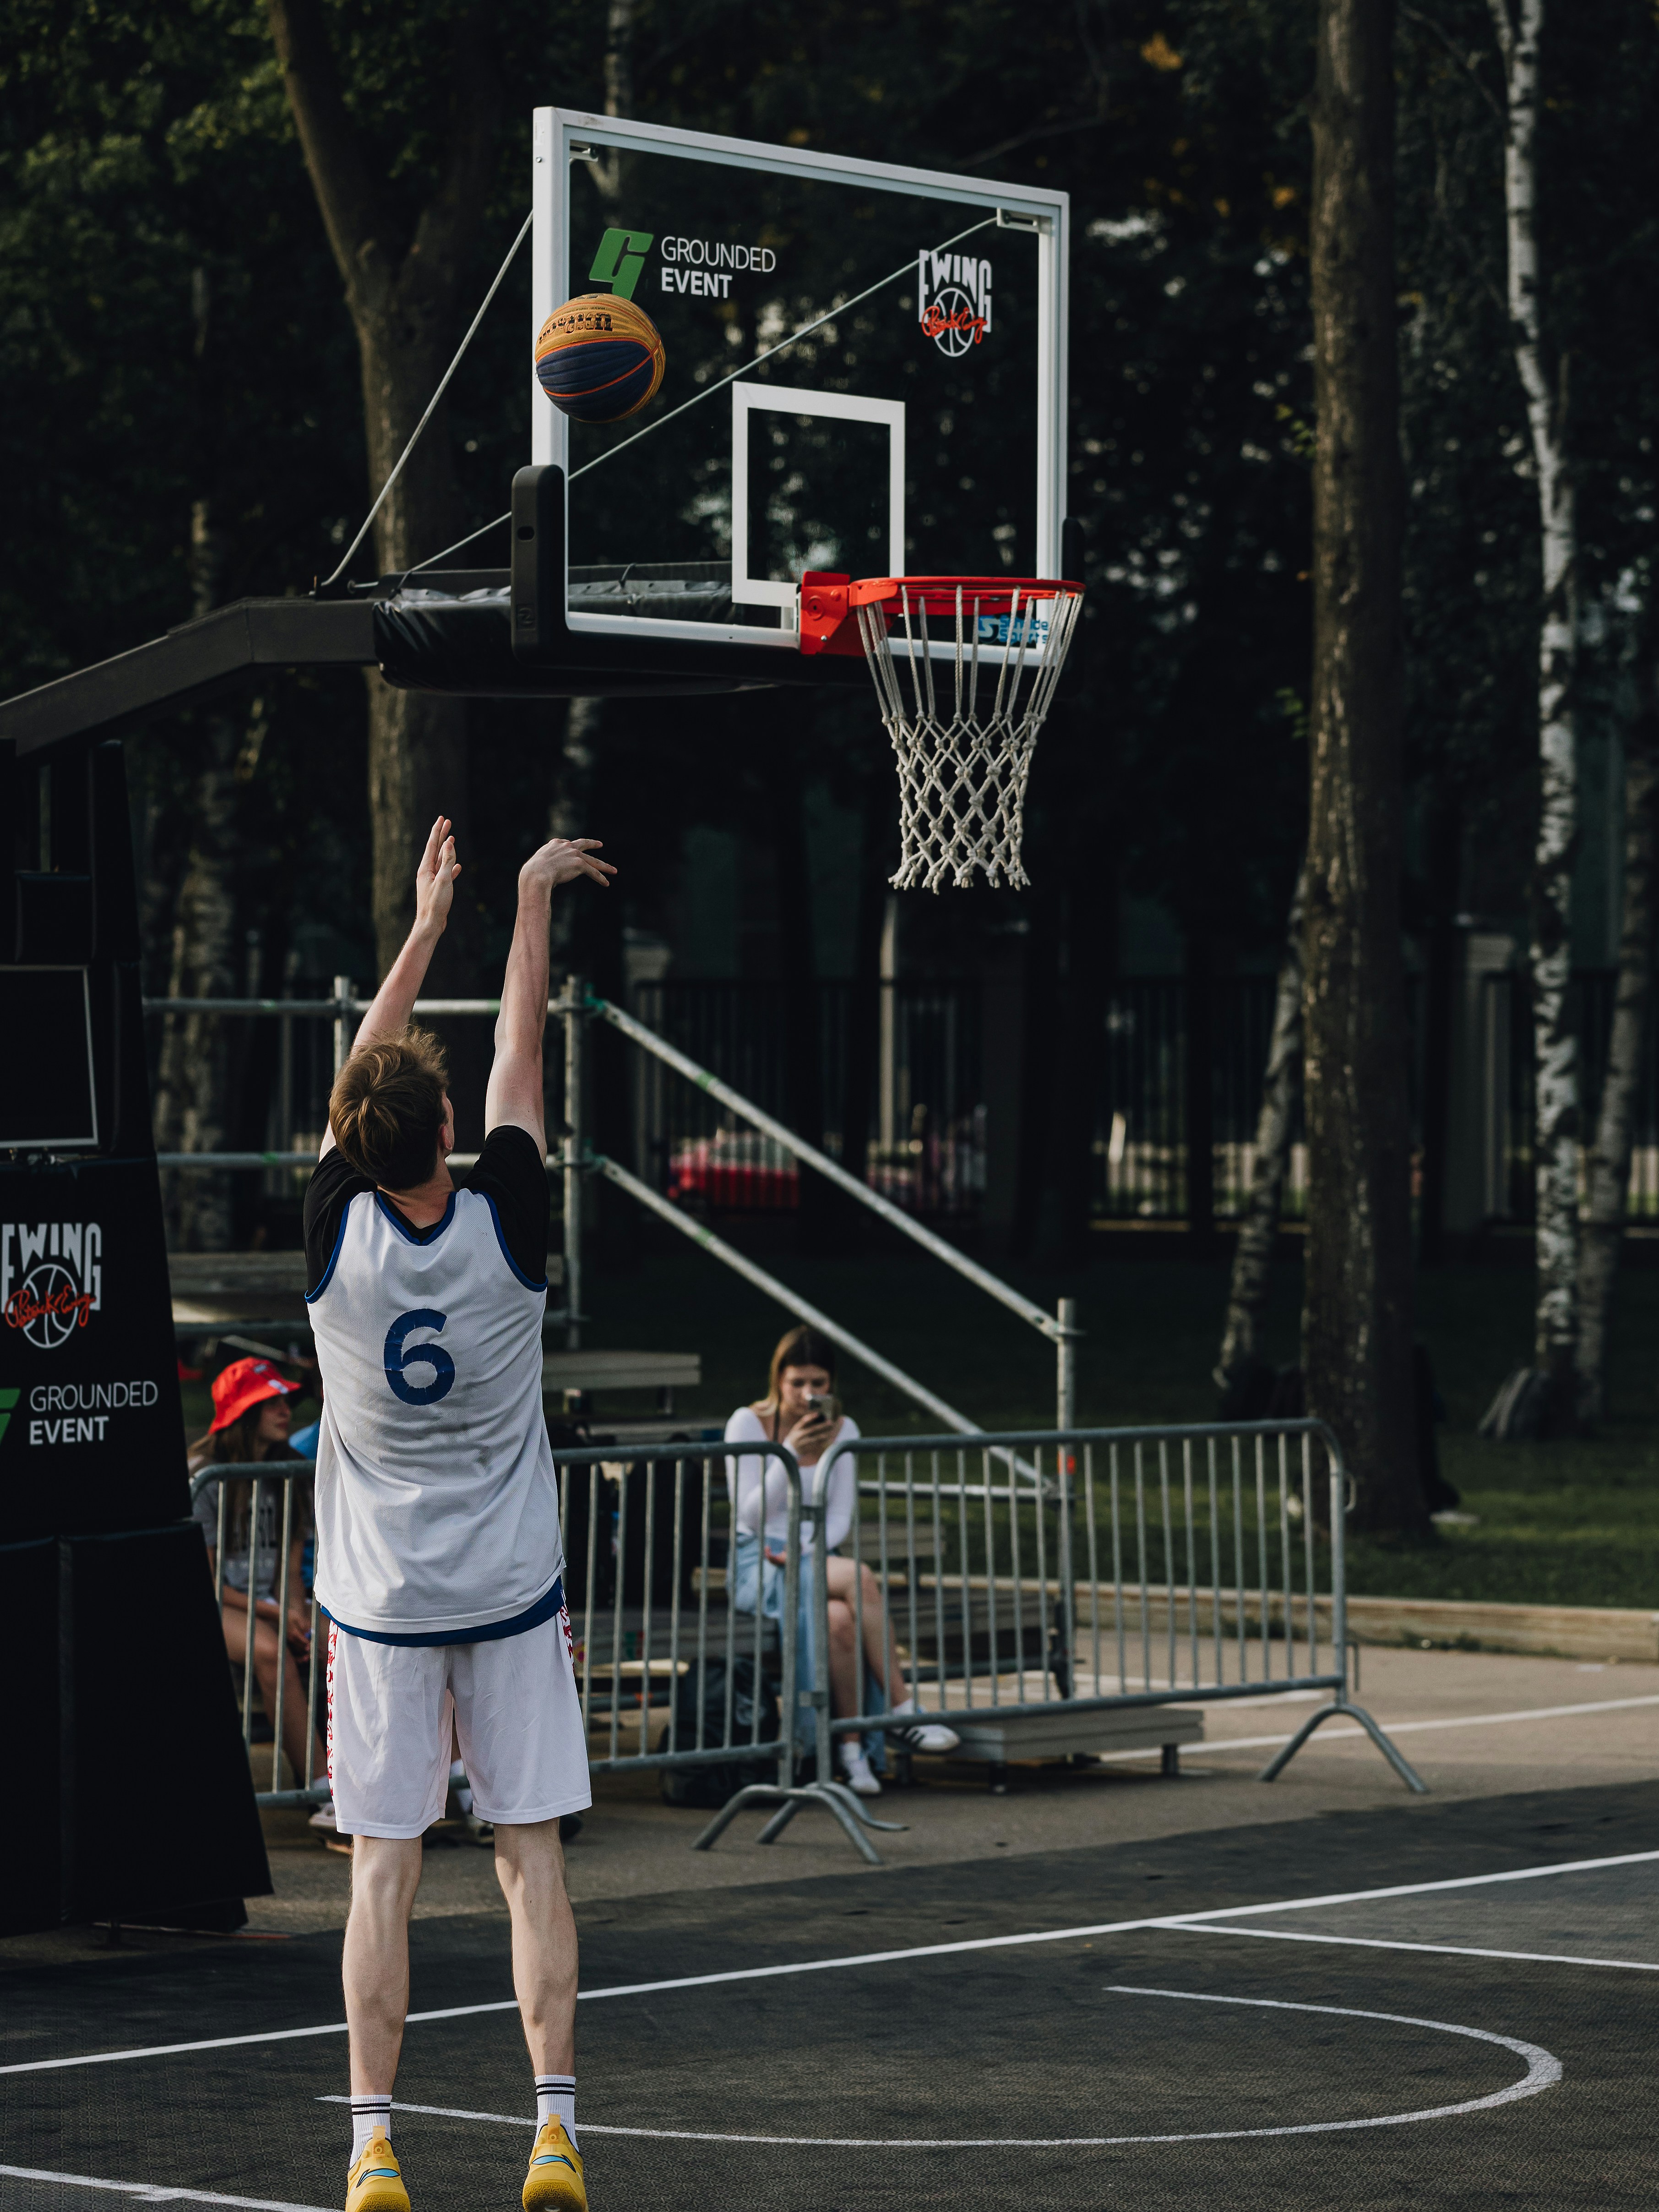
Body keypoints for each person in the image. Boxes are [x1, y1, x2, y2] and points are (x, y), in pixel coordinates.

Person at [304, 816, 612, 2212]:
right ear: (447, 1138)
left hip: (382, 1598)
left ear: (358, 1144)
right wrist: (524, 904)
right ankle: (550, 2127)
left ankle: (374, 2141)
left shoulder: (336, 1236)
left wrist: (420, 926)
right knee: (527, 1857)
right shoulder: (511, 1220)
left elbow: (358, 1086)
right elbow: (520, 1055)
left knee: (382, 1869)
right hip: (507, 1586)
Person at [724, 1325, 959, 1798]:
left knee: (837, 1621)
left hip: (813, 1554)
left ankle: (851, 1753)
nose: (808, 1395)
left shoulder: (844, 1428)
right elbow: (746, 1513)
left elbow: (839, 1518)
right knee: (861, 1576)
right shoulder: (748, 1423)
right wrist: (791, 1455)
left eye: (818, 1383)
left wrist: (806, 1551)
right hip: (759, 1558)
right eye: (797, 1384)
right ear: (778, 1380)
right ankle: (901, 1708)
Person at [190, 1356, 333, 1831]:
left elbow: (291, 1567)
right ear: (242, 1412)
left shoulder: (289, 1467)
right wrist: (274, 1614)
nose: (284, 1410)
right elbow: (208, 1582)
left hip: (267, 1599)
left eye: (284, 1400)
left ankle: (365, 1779)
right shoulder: (205, 1473)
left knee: (336, 1637)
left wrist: (293, 1609)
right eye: (270, 1402)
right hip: (214, 1602)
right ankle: (320, 1790)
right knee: (272, 1652)